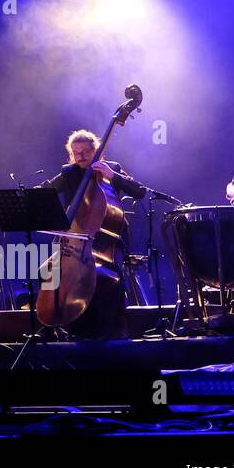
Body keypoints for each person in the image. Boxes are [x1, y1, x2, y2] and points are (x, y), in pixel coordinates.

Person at [39, 129, 150, 339]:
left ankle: (114, 329)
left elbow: (139, 191)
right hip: (74, 243)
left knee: (106, 278)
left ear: (97, 151)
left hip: (107, 241)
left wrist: (113, 176)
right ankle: (54, 327)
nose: (80, 157)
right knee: (45, 270)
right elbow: (46, 190)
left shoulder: (111, 169)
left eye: (86, 152)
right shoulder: (68, 173)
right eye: (76, 152)